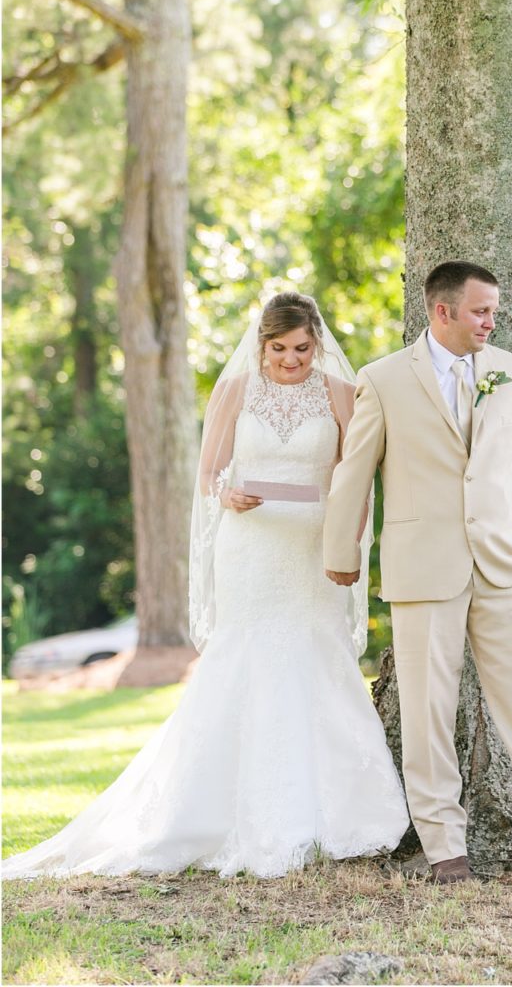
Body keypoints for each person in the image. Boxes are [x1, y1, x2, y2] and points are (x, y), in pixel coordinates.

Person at [3, 293, 409, 879]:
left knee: (314, 656)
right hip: (250, 546)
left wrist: (345, 546)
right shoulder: (237, 390)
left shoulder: (341, 394)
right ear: (261, 343)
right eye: (279, 349)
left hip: (312, 548)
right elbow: (209, 472)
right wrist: (228, 493)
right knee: (247, 659)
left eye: (302, 348)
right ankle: (222, 812)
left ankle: (335, 814)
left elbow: (356, 478)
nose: (291, 361)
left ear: (317, 342)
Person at [323, 260, 512, 883]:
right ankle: (446, 851)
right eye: (480, 311)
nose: (491, 321)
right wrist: (341, 553)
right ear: (442, 312)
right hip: (422, 568)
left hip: (504, 568)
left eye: (493, 311)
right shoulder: (382, 380)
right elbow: (353, 473)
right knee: (427, 714)